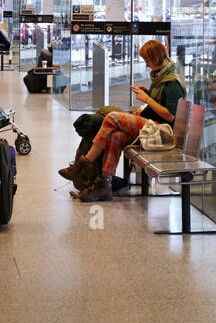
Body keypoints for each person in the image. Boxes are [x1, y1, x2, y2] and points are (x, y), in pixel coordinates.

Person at [60, 40, 185, 202]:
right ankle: (104, 184)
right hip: (151, 128)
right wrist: (149, 94)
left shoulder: (172, 82)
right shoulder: (161, 77)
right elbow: (162, 104)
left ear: (156, 57)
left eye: (148, 61)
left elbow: (170, 116)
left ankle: (84, 164)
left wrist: (147, 98)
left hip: (161, 133)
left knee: (112, 117)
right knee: (115, 136)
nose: (146, 65)